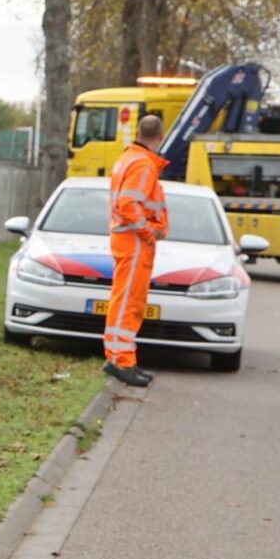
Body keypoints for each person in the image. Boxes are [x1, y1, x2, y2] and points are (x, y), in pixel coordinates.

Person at [103, 112, 171, 389]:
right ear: (160, 136)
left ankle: (117, 357)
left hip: (128, 241)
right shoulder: (143, 164)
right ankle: (122, 361)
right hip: (134, 243)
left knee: (124, 300)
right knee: (130, 303)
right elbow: (128, 204)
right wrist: (148, 232)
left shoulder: (128, 158)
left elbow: (126, 203)